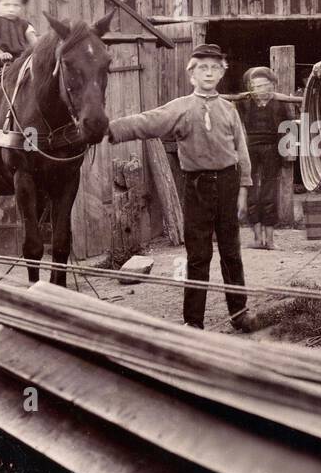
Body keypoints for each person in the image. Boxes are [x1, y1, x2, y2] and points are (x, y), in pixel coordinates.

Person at [106, 44, 258, 331]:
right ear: (192, 74)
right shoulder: (180, 108)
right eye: (203, 67)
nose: (209, 72)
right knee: (199, 255)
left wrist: (243, 190)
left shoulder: (229, 110)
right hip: (197, 187)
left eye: (215, 67)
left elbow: (242, 151)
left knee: (231, 252)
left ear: (223, 72)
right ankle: (193, 322)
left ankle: (240, 313)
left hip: (228, 183)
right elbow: (147, 122)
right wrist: (110, 128)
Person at [236, 66, 296, 249]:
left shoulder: (281, 103)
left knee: (269, 192)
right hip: (250, 149)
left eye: (263, 85)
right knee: (252, 191)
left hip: (272, 149)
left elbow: (289, 128)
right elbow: (235, 125)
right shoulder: (244, 103)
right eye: (255, 86)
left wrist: (288, 153)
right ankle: (256, 239)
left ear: (271, 86)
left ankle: (269, 240)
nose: (259, 90)